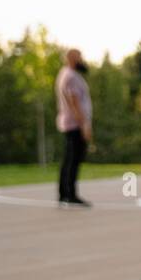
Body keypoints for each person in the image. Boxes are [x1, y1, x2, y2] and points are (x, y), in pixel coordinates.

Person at [55, 48, 93, 208]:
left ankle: (65, 193)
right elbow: (74, 102)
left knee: (69, 159)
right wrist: (83, 124)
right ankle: (69, 194)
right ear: (71, 58)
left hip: (72, 122)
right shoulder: (70, 76)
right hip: (74, 123)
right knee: (73, 159)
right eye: (79, 57)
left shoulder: (67, 74)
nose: (81, 60)